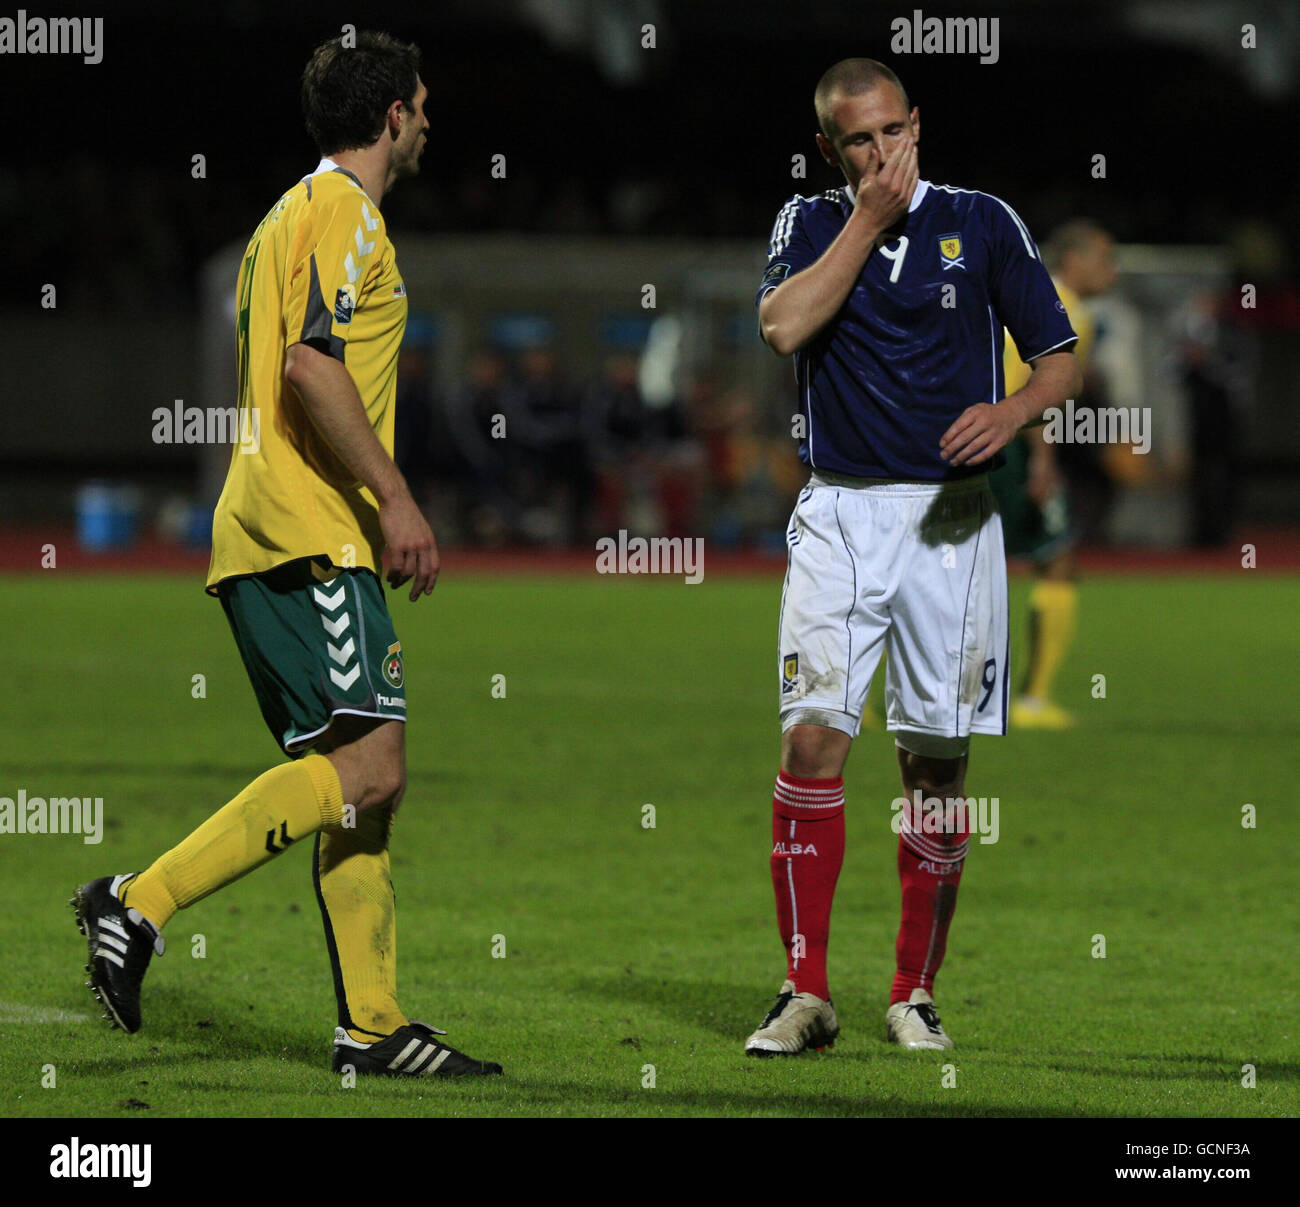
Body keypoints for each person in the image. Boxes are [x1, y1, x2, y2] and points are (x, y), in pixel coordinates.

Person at [72, 31, 502, 1079]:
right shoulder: (348, 214)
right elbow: (314, 367)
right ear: (393, 112)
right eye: (424, 102)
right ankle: (137, 903)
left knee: (357, 778)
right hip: (311, 534)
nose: (431, 120)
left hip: (269, 528)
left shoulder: (281, 217)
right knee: (371, 765)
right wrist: (396, 498)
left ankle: (374, 1022)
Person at [745, 58, 1080, 1055]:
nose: (881, 151)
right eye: (857, 139)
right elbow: (781, 326)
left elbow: (1057, 354)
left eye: (892, 130)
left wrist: (1012, 410)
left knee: (936, 765)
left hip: (950, 524)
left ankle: (911, 990)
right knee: (811, 743)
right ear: (828, 150)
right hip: (841, 516)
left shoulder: (983, 221)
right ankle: (805, 990)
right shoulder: (805, 225)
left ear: (917, 124)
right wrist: (862, 217)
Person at [992, 219, 1117, 729]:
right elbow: (1033, 391)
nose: (1113, 269)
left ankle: (859, 702)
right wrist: (1042, 463)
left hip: (967, 435)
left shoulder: (1026, 293)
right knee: (1059, 562)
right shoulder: (1069, 311)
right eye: (1104, 257)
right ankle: (1032, 701)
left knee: (922, 571)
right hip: (1008, 443)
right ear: (1073, 261)